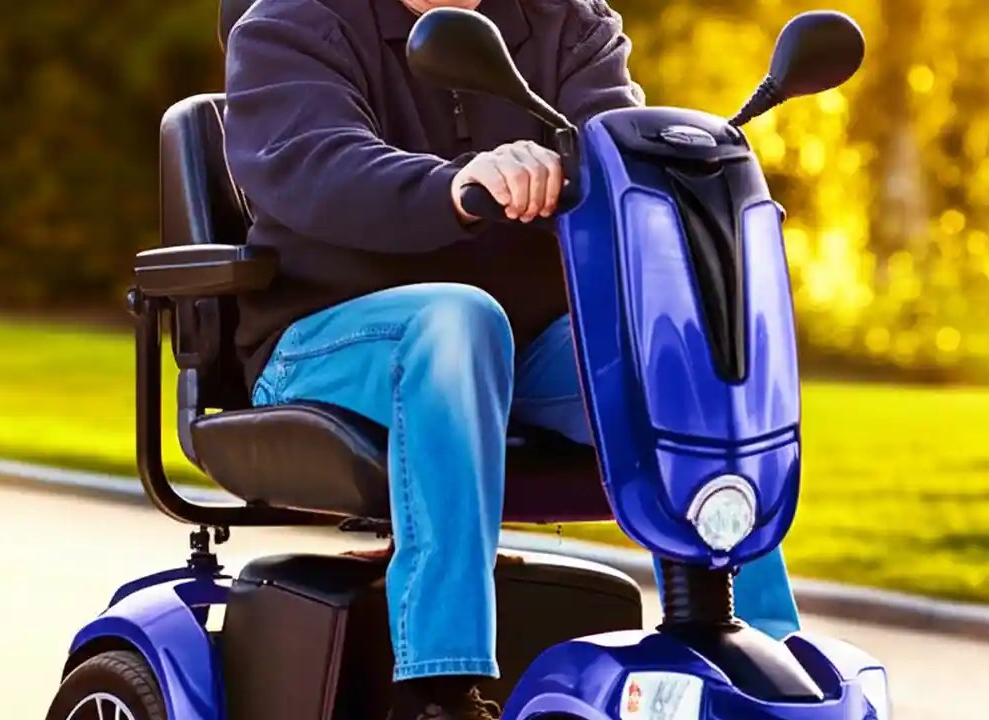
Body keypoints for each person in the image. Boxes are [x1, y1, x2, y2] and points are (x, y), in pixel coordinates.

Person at [224, 0, 801, 717]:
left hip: (517, 347)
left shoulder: (569, 23)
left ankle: (759, 653)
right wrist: (460, 185)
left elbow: (608, 146)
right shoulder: (292, 23)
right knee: (459, 318)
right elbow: (321, 167)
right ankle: (437, 688)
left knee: (669, 363)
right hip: (324, 343)